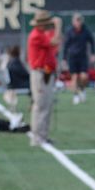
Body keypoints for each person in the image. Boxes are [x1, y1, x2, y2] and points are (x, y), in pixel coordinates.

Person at [27, 9, 62, 146]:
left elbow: (56, 43)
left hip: (46, 72)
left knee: (47, 104)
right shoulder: (37, 35)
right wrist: (58, 26)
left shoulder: (43, 34)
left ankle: (43, 135)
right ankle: (37, 137)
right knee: (40, 105)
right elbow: (54, 41)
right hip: (39, 73)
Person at [62, 14, 95, 104]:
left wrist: (93, 53)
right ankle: (76, 95)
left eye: (79, 20)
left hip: (83, 57)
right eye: (76, 20)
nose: (78, 22)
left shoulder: (86, 31)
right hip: (72, 57)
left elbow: (92, 42)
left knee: (83, 77)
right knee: (74, 77)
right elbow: (66, 45)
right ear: (73, 21)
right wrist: (64, 58)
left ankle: (82, 89)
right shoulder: (70, 31)